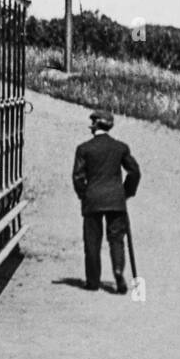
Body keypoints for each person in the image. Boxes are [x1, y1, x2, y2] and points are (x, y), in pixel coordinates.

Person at [72, 109, 141, 293]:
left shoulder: (84, 148)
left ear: (95, 125)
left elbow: (78, 177)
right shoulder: (120, 147)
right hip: (116, 200)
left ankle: (93, 282)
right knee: (117, 239)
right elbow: (134, 172)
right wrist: (125, 192)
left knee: (92, 242)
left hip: (93, 200)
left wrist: (84, 195)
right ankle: (118, 271)